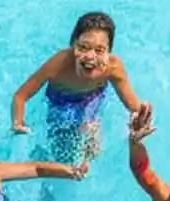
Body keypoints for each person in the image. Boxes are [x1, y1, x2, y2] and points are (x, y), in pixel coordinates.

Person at [11, 11, 141, 165]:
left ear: (108, 52)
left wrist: (140, 123)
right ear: (73, 46)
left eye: (99, 50)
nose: (90, 57)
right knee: (57, 156)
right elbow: (21, 96)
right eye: (83, 47)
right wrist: (18, 124)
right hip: (61, 104)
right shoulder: (59, 65)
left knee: (92, 155)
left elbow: (134, 107)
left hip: (92, 102)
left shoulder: (113, 68)